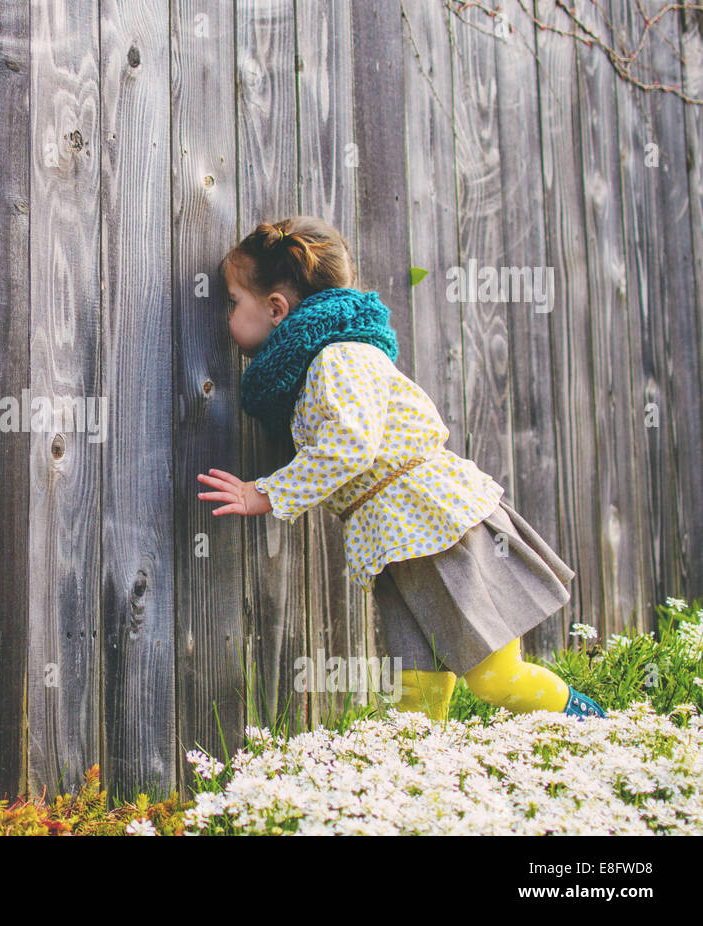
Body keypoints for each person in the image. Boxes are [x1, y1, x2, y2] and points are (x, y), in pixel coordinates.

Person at [196, 215, 606, 722]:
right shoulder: (320, 366)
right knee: (416, 690)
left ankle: (596, 729)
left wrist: (267, 492)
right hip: (399, 541)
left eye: (233, 302)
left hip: (432, 525)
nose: (227, 315)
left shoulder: (338, 359)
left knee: (496, 678)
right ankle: (417, 768)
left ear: (276, 308)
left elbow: (350, 444)